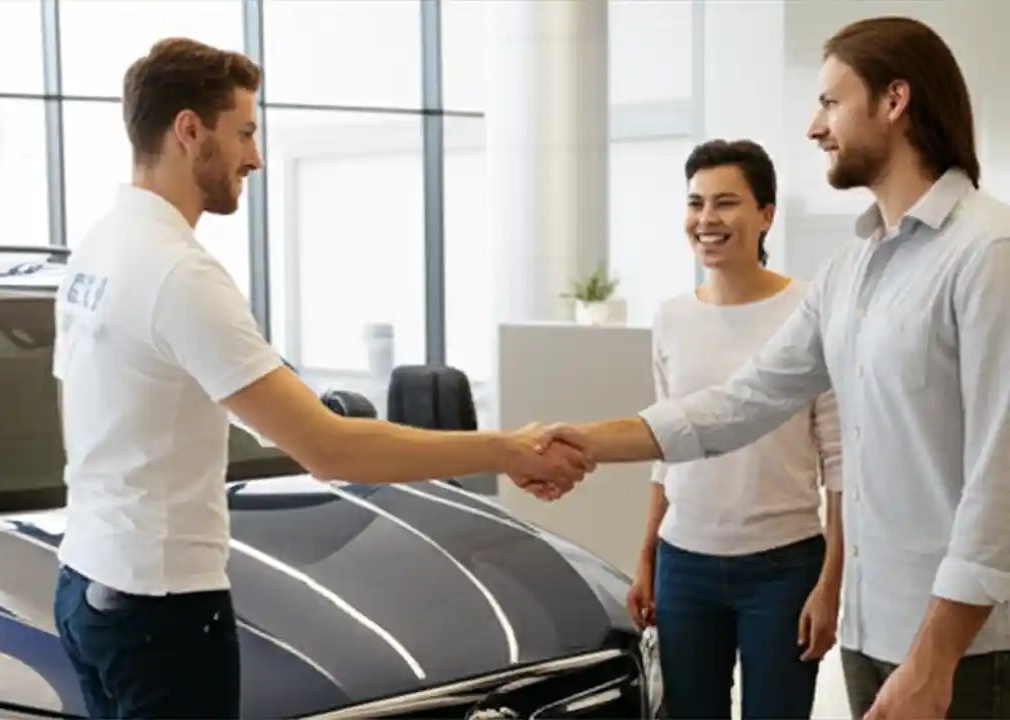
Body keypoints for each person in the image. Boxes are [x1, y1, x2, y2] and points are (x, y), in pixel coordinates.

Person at [51, 37, 590, 720]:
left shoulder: (97, 249)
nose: (255, 157)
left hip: (89, 585)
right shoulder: (178, 273)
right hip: (161, 607)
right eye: (244, 132)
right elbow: (329, 448)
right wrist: (507, 450)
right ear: (189, 130)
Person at [521, 16, 1010, 720]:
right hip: (873, 632)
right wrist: (587, 440)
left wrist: (934, 658)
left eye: (831, 102)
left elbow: (999, 478)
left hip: (962, 647)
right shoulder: (853, 270)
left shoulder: (986, 252)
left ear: (895, 101)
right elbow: (739, 403)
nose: (815, 127)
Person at [632, 138, 844, 719]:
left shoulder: (809, 310)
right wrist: (648, 555)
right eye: (695, 203)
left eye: (725, 203)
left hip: (783, 567)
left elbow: (839, 461)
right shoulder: (672, 317)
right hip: (684, 563)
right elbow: (666, 447)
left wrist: (831, 583)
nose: (707, 219)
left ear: (766, 215)